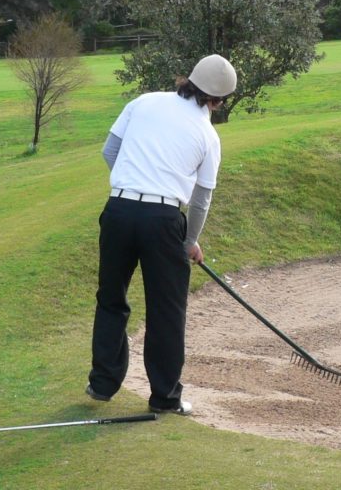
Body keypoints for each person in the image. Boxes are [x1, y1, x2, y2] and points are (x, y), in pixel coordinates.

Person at [86, 54, 236, 415]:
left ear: (189, 80)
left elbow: (110, 151)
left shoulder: (143, 102)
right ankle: (166, 397)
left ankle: (102, 384)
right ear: (218, 101)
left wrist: (132, 181)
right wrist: (188, 241)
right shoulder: (207, 135)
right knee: (166, 311)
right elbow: (200, 200)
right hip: (164, 219)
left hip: (118, 210)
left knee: (111, 298)